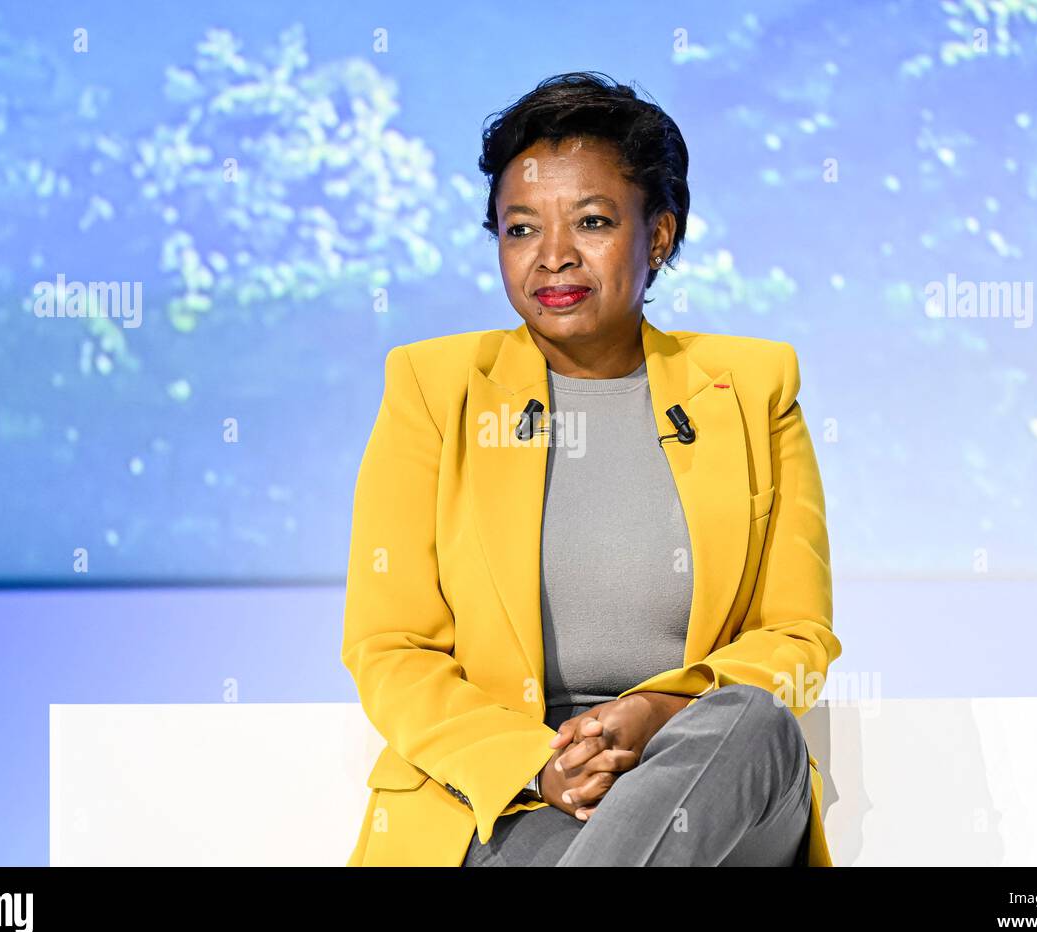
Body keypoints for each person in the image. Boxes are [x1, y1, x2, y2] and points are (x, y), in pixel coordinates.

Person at [342, 71, 841, 867]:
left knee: (752, 722)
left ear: (659, 237)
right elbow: (392, 648)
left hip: (706, 778)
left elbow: (798, 636)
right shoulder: (432, 391)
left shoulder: (753, 388)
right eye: (520, 229)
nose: (553, 258)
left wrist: (654, 711)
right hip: (513, 792)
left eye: (593, 221)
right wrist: (538, 764)